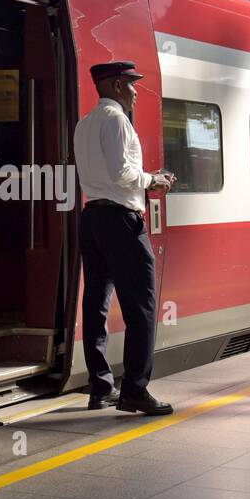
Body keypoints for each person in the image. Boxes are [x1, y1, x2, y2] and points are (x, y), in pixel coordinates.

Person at [73, 60, 176, 415]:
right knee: (142, 307)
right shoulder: (116, 119)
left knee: (96, 305)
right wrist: (154, 180)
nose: (135, 91)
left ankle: (100, 387)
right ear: (117, 85)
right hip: (121, 220)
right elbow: (121, 173)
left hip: (92, 219)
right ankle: (135, 389)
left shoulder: (85, 124)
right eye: (131, 84)